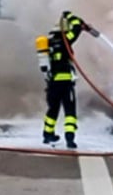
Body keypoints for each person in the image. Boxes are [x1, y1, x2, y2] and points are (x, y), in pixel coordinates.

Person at [36, 10, 99, 149]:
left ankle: (47, 135)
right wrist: (70, 16)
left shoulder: (49, 43)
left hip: (52, 83)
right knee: (70, 112)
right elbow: (76, 27)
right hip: (65, 84)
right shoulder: (65, 41)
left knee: (53, 109)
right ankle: (70, 139)